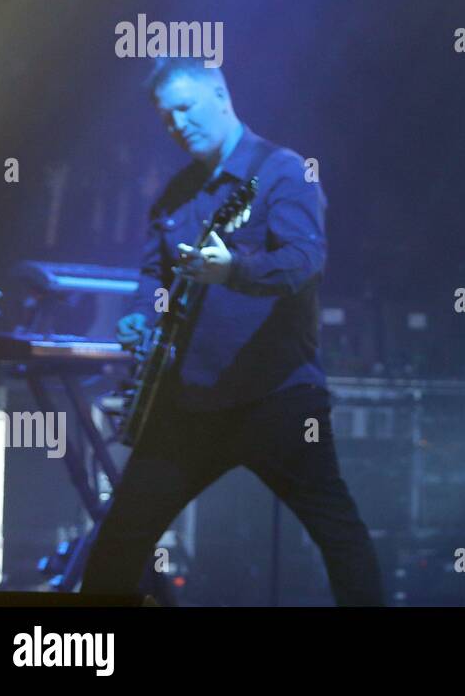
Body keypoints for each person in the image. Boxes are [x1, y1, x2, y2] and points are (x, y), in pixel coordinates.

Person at [80, 55, 383, 605]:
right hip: (190, 402)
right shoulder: (176, 193)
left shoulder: (284, 170)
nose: (177, 125)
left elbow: (304, 261)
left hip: (276, 395)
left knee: (337, 533)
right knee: (119, 540)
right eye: (166, 117)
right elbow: (154, 275)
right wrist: (141, 315)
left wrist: (234, 271)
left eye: (186, 108)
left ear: (221, 97)